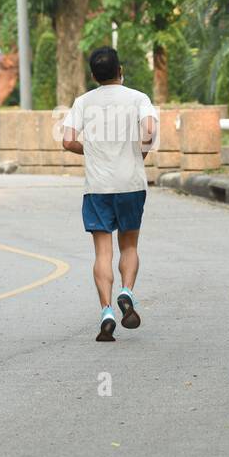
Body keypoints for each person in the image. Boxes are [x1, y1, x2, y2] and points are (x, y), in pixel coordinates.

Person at [61, 47, 158, 342]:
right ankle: (126, 293)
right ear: (121, 70)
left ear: (93, 75)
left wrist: (89, 149)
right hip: (130, 184)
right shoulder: (138, 98)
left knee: (102, 252)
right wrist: (138, 151)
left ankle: (106, 312)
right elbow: (150, 130)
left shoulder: (83, 102)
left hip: (98, 189)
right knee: (129, 247)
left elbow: (67, 141)